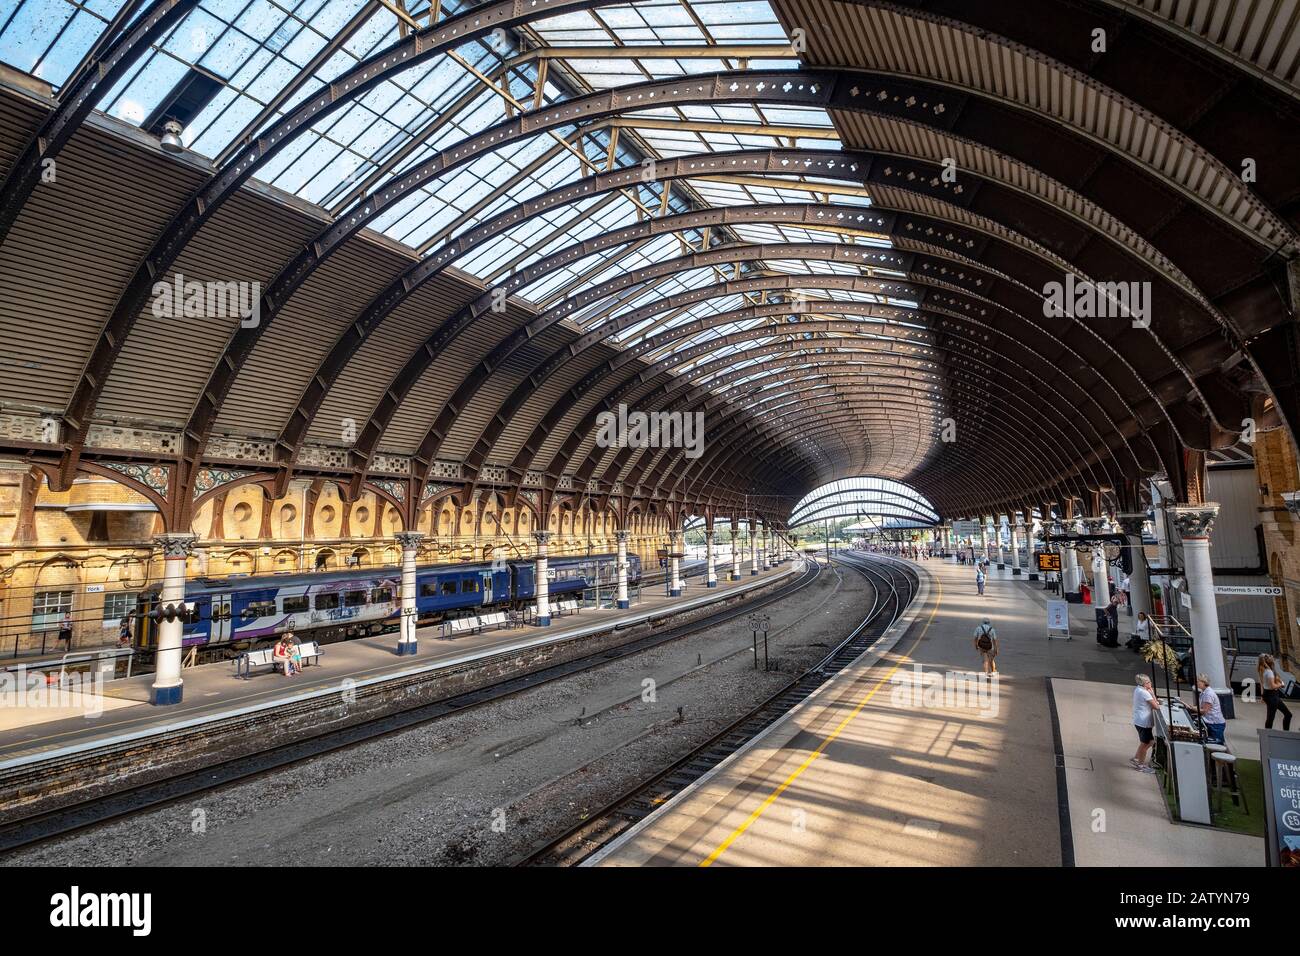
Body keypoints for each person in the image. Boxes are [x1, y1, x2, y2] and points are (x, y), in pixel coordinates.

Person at [1131, 674, 1159, 773]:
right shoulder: (1145, 693)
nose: (1150, 683)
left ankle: (1136, 758)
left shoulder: (1138, 689)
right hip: (1144, 722)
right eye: (1148, 682)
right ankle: (1141, 765)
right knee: (1146, 743)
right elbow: (1156, 706)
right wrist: (1152, 693)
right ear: (1144, 683)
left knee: (1148, 742)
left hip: (1139, 720)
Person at [1258, 653, 1293, 731]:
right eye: (1270, 656)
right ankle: (1268, 734)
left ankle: (1282, 733)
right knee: (1271, 717)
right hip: (1272, 696)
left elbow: (1262, 684)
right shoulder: (1269, 672)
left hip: (1269, 695)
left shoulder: (1263, 670)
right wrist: (1280, 684)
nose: (1272, 657)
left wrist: (1262, 696)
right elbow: (1272, 686)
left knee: (1286, 715)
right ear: (1268, 661)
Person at [1196, 674, 1226, 745]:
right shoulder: (1204, 692)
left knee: (1217, 745)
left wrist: (1190, 707)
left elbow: (1204, 711)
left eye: (1198, 682)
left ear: (1204, 682)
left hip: (1215, 724)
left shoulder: (1208, 694)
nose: (1196, 683)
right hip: (1211, 722)